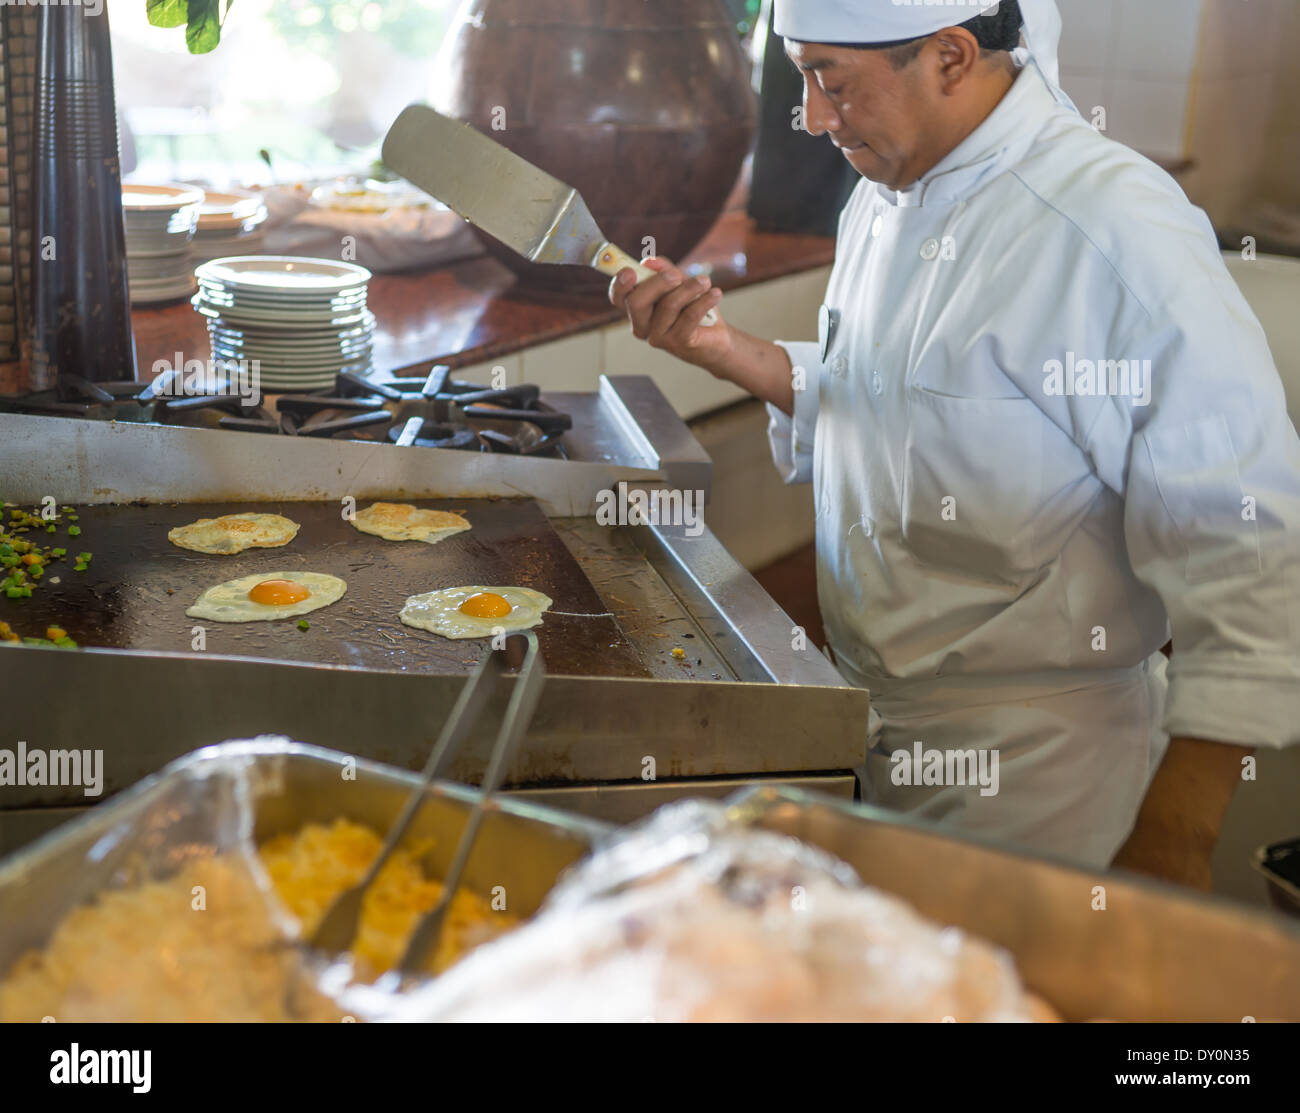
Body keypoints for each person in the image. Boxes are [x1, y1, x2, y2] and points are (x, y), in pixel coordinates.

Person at [608, 0, 1300, 885]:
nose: (812, 117)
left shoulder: (1110, 227)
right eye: (800, 74)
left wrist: (1174, 840)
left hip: (1047, 786)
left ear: (949, 56)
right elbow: (901, 405)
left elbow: (1248, 544)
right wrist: (720, 349)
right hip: (879, 736)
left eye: (829, 79)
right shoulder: (886, 194)